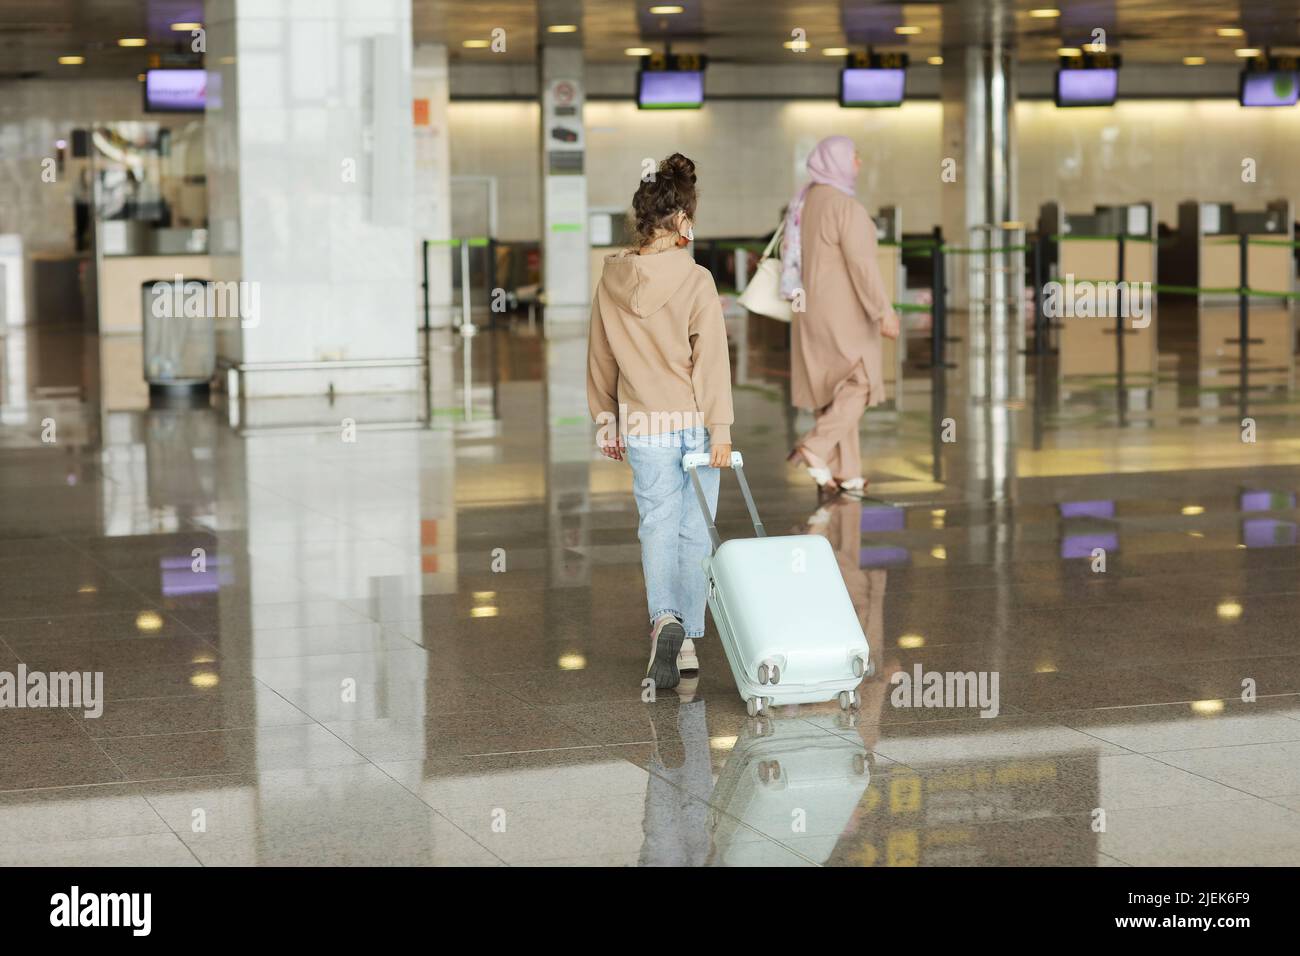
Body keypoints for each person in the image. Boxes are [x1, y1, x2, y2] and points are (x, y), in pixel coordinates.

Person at [587, 153, 735, 690]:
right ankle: (688, 639)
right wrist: (720, 429)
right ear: (682, 221)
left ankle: (663, 621)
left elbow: (600, 356)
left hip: (643, 425)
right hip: (694, 424)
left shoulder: (612, 280)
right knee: (694, 532)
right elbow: (711, 361)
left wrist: (606, 421)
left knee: (655, 525)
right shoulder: (697, 280)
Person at [781, 135, 899, 495]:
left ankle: (844, 471)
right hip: (842, 310)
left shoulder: (805, 201)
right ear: (838, 163)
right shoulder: (846, 208)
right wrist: (883, 311)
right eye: (855, 157)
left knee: (832, 388)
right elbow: (862, 267)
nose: (859, 163)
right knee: (859, 382)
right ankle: (815, 447)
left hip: (807, 310)